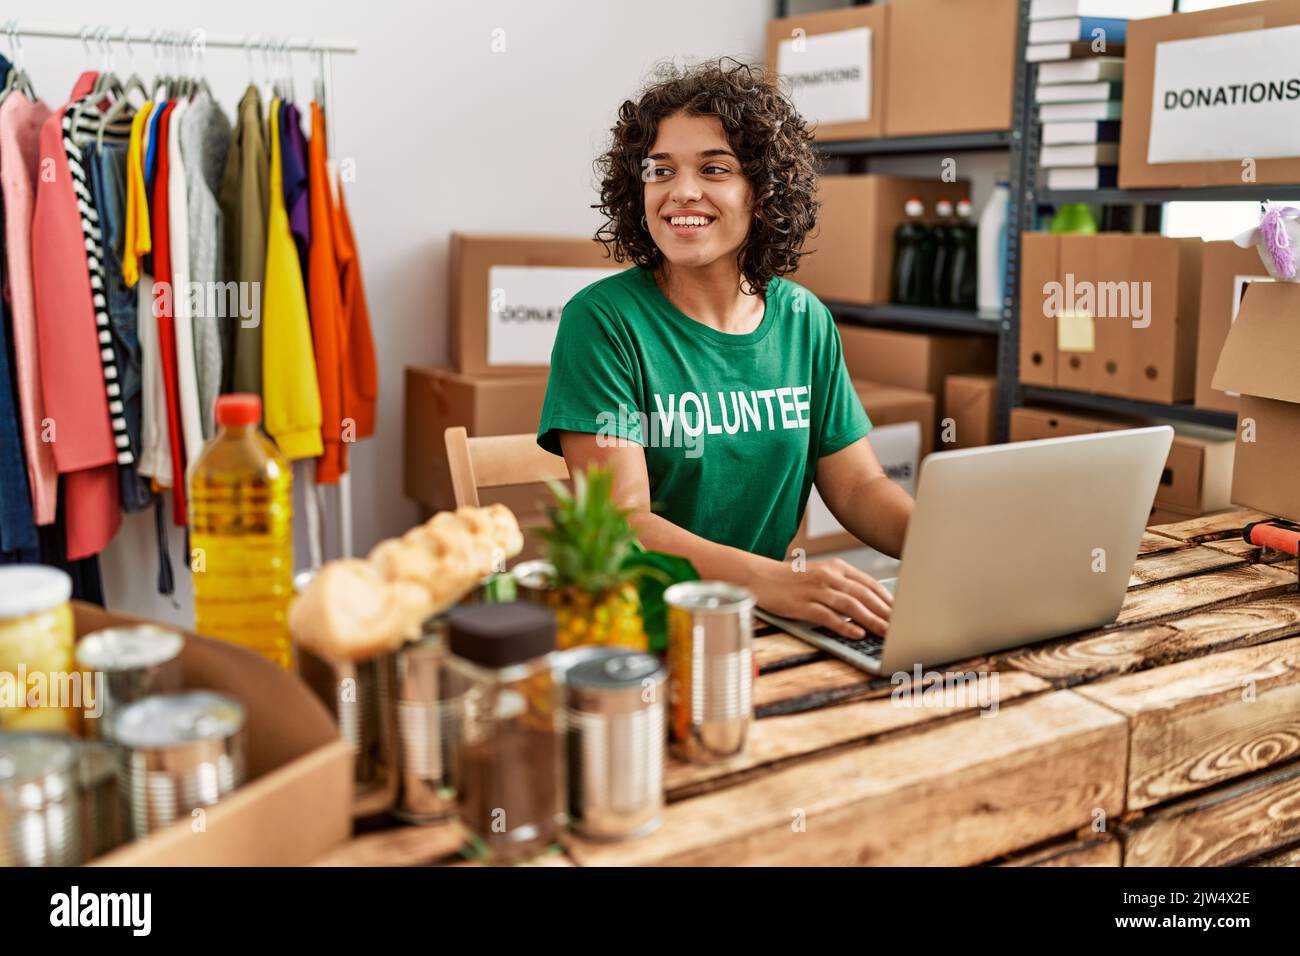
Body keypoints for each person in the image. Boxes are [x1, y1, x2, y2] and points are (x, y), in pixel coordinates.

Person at [537, 58, 913, 639]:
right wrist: (770, 580)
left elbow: (859, 487)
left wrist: (953, 545)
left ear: (763, 191)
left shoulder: (802, 319)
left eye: (714, 169)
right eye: (660, 171)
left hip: (760, 621)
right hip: (644, 630)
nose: (681, 191)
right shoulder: (604, 322)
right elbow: (624, 523)